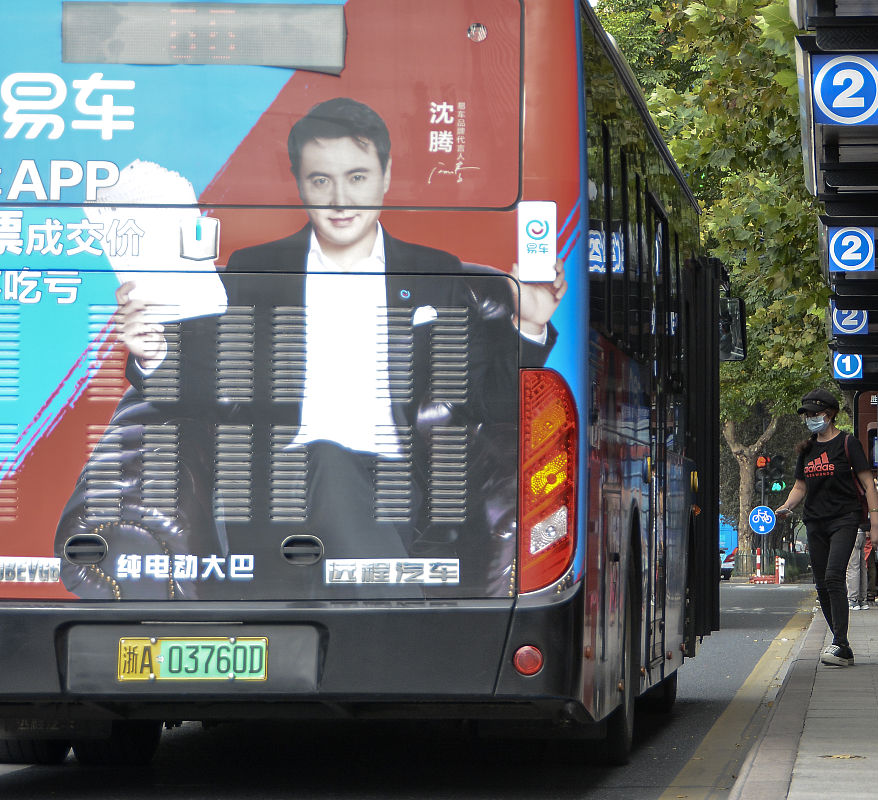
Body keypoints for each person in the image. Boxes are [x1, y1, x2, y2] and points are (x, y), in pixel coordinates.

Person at [60, 97, 566, 599]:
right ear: (299, 183)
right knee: (322, 456)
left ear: (386, 177)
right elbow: (198, 388)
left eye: (357, 177)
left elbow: (489, 404)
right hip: (273, 490)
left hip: (396, 489)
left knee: (334, 463)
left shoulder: (436, 273)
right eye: (321, 180)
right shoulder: (253, 272)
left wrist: (529, 326)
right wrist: (151, 349)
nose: (340, 200)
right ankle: (394, 621)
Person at [776, 388, 878, 666]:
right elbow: (800, 486)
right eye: (807, 414)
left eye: (816, 413)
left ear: (831, 414)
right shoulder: (807, 449)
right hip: (815, 521)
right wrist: (787, 507)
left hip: (844, 519)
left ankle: (839, 642)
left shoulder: (848, 443)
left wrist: (875, 524)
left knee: (835, 576)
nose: (811, 418)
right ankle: (841, 643)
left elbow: (868, 484)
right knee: (822, 583)